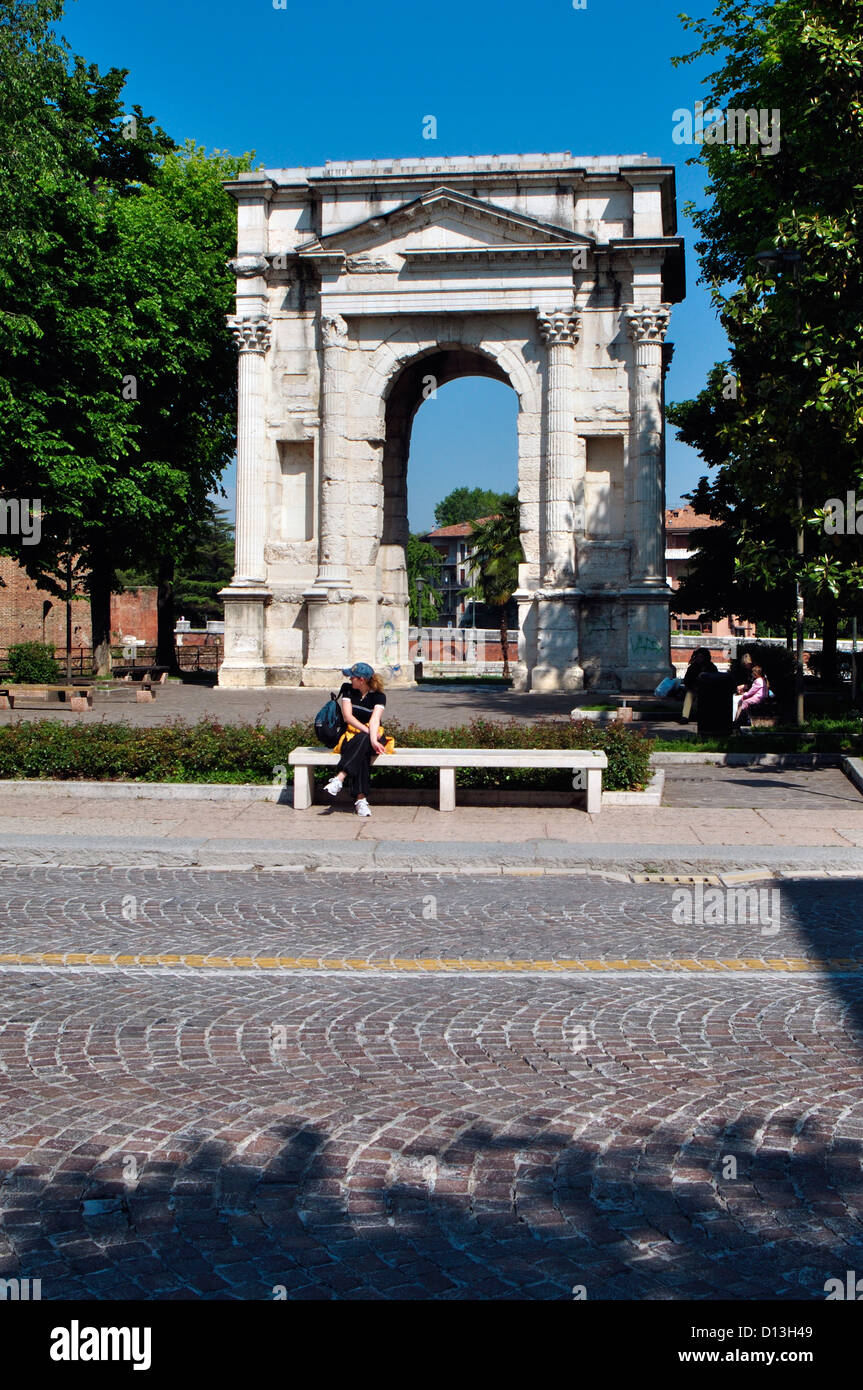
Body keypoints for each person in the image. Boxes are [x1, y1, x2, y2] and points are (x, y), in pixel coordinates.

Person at [323, 662, 387, 817]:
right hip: (351, 735)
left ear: (361, 680)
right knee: (362, 754)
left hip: (375, 736)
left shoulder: (379, 696)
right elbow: (348, 717)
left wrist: (372, 739)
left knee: (363, 742)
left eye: (352, 677)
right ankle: (361, 801)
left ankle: (340, 778)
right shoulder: (348, 690)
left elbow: (375, 720)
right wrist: (368, 734)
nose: (350, 679)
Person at [680, 647, 718, 722]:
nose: (699, 659)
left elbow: (715, 679)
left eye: (701, 657)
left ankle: (707, 716)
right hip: (694, 689)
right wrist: (693, 686)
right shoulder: (693, 667)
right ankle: (685, 716)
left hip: (708, 689)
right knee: (689, 694)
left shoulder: (711, 667)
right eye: (698, 657)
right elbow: (686, 680)